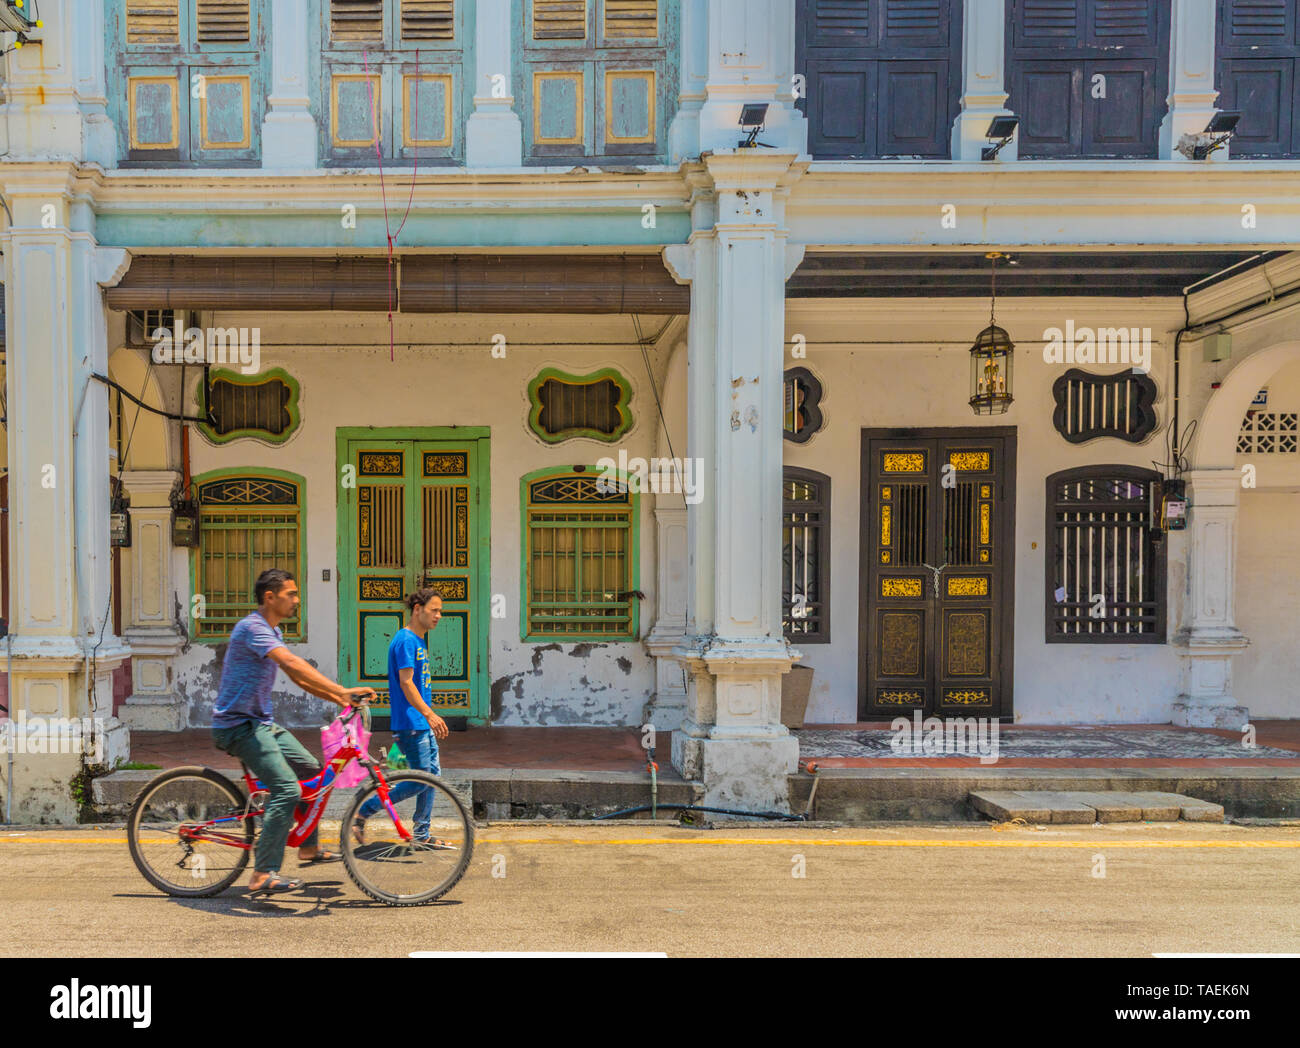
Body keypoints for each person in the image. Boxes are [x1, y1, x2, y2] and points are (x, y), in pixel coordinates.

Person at [211, 568, 376, 896]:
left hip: (262, 724)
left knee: (314, 772)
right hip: (237, 727)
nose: (297, 601)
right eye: (291, 594)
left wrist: (341, 698)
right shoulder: (252, 629)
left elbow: (298, 678)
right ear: (270, 597)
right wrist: (342, 691)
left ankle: (308, 848)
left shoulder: (273, 631)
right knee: (287, 789)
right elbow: (291, 662)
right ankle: (262, 873)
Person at [352, 588, 450, 844]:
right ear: (418, 609)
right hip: (412, 723)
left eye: (440, 611)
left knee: (431, 776)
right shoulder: (406, 640)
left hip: (417, 723)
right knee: (420, 780)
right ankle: (364, 810)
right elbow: (406, 683)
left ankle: (421, 834)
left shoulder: (416, 640)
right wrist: (430, 715)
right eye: (434, 610)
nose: (439, 615)